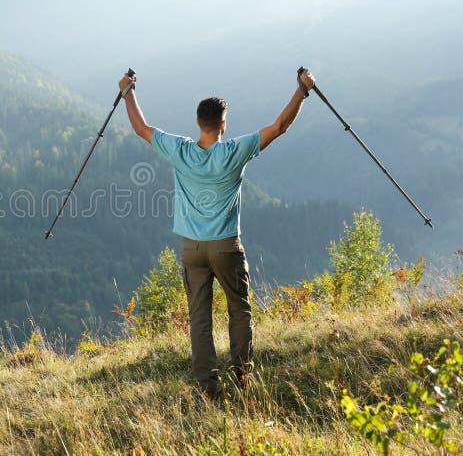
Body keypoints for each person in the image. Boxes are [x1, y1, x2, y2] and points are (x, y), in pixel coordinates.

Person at [118, 68, 315, 398]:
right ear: (223, 125)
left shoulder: (179, 150)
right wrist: (302, 90)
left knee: (199, 319)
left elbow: (141, 127)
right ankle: (242, 378)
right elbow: (279, 126)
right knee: (239, 310)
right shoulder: (234, 152)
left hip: (192, 249)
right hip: (225, 246)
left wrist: (128, 91)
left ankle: (208, 389)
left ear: (198, 122)